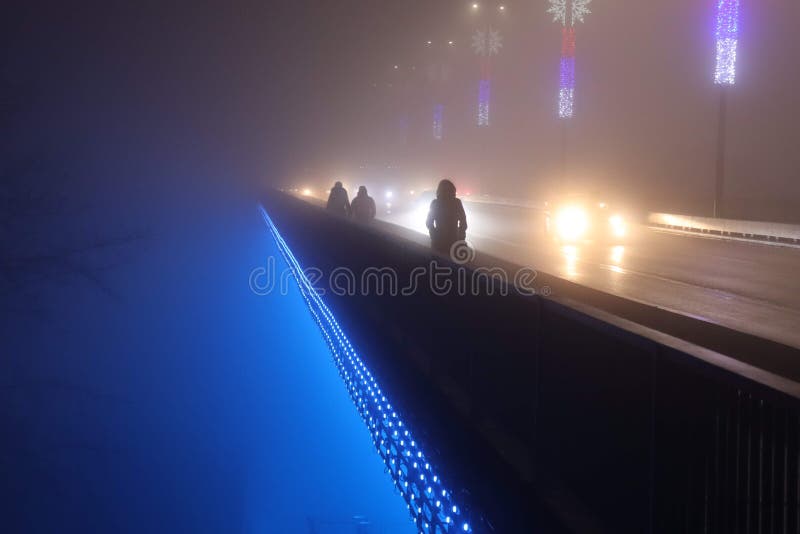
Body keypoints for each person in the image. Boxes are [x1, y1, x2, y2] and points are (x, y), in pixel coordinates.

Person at [426, 179, 468, 254]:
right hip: (453, 241)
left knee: (437, 263)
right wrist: (461, 237)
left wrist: (434, 236)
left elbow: (429, 222)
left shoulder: (435, 203)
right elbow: (463, 222)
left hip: (439, 242)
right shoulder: (456, 203)